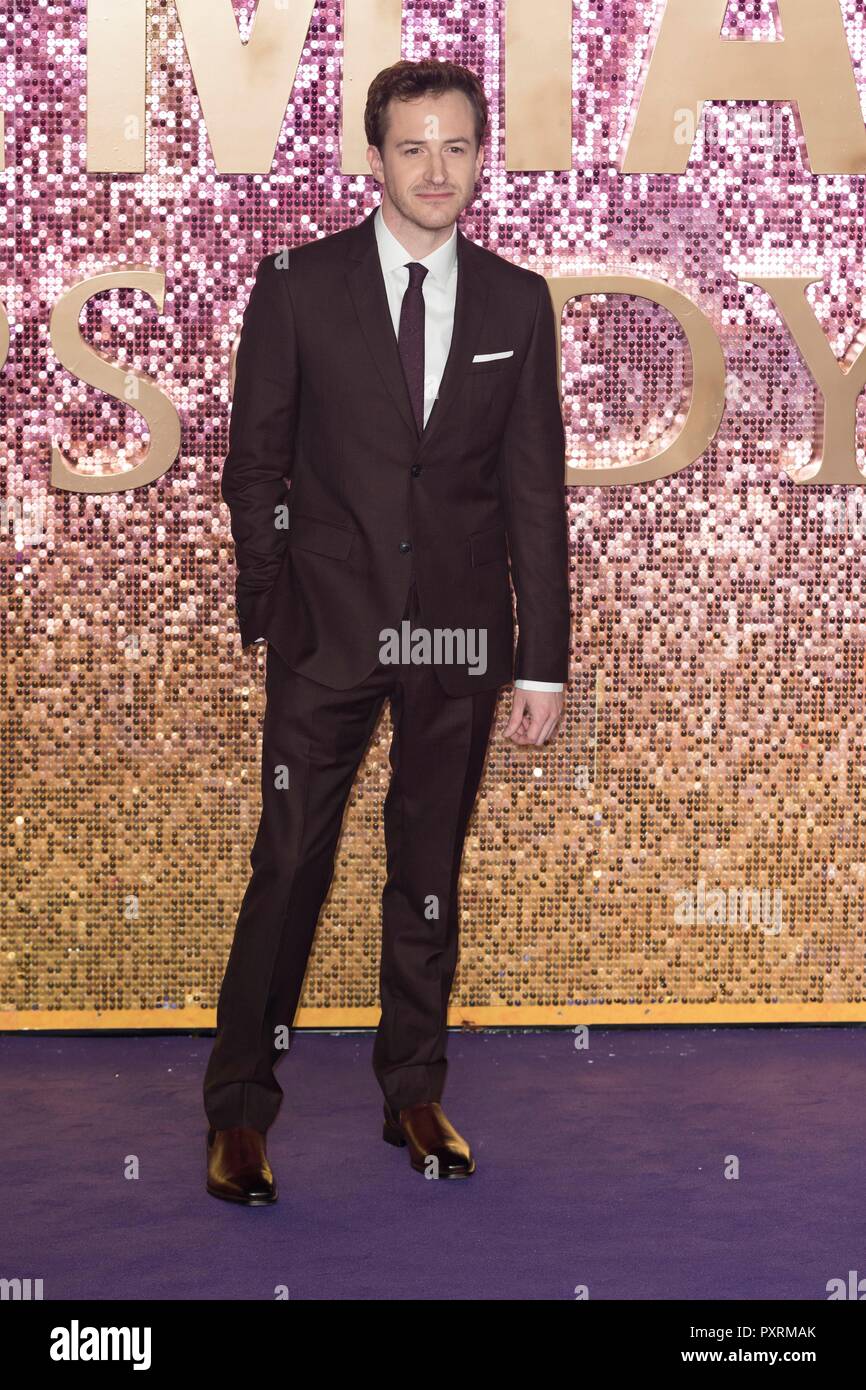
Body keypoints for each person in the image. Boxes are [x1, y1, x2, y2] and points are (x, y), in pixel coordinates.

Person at [203, 57, 570, 1203]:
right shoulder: (299, 285)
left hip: (456, 643)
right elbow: (254, 460)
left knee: (425, 871)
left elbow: (531, 494)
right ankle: (239, 1111)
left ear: (478, 158)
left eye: (456, 146)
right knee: (288, 868)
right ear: (375, 158)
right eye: (412, 147)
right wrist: (274, 602)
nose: (435, 170)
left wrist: (538, 660)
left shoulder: (515, 301)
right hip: (327, 635)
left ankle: (411, 1089)